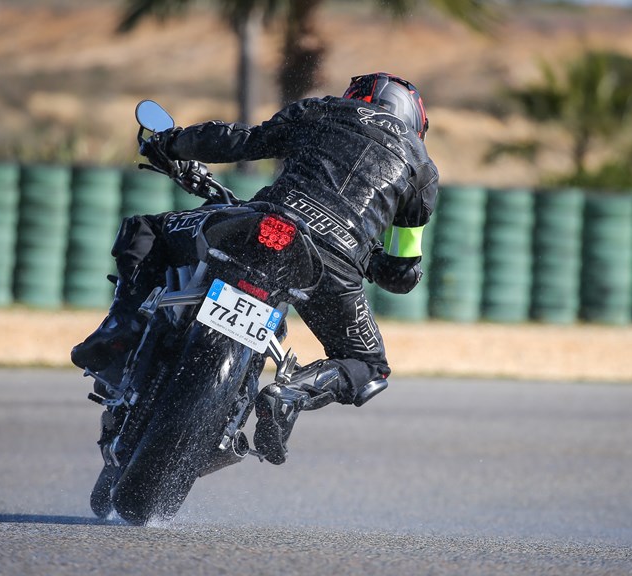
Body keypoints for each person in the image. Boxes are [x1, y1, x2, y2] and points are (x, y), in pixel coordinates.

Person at [71, 72, 439, 465]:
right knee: (369, 365)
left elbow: (240, 141)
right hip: (333, 264)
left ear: (358, 96)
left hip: (261, 221)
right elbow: (401, 273)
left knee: (146, 229)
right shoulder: (422, 170)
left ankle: (122, 325)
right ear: (415, 121)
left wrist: (170, 142)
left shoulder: (324, 110)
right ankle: (293, 393)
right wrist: (369, 258)